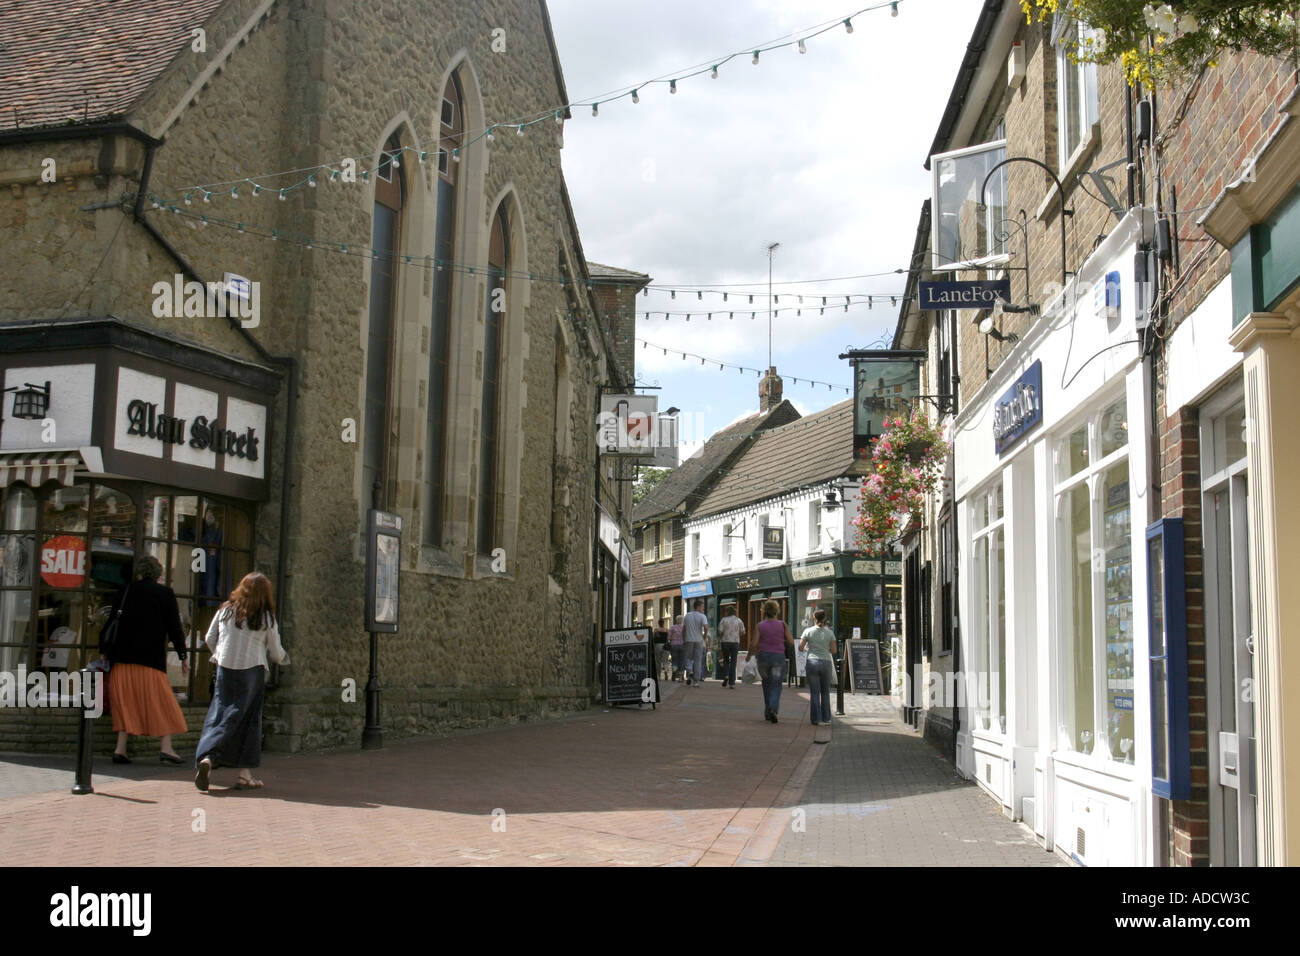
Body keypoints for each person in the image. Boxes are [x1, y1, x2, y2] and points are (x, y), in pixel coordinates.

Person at [194, 571, 288, 791]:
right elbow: (275, 651)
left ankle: (211, 759)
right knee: (247, 719)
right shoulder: (265, 617)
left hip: (224, 668)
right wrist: (284, 658)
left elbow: (209, 638)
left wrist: (220, 654)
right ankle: (228, 766)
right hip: (252, 670)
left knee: (220, 711)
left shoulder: (226, 610)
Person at [106, 554, 189, 764]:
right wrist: (183, 655)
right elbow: (175, 628)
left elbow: (110, 623)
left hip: (122, 659)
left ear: (139, 572)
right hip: (150, 659)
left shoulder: (125, 591)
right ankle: (166, 748)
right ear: (158, 573)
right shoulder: (164, 593)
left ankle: (120, 748)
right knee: (163, 703)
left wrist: (104, 650)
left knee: (126, 704)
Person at [748, 600, 794, 722]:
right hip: (778, 657)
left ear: (764, 612)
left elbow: (753, 644)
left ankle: (768, 710)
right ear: (776, 611)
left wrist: (749, 655)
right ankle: (773, 707)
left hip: (763, 657)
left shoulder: (760, 625)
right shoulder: (782, 624)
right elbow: (790, 641)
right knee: (776, 683)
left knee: (766, 683)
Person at [799, 609, 838, 729]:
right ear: (825, 618)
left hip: (812, 661)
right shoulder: (829, 633)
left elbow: (801, 647)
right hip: (826, 662)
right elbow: (834, 650)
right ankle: (826, 717)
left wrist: (808, 649)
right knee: (825, 691)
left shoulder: (808, 631)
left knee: (815, 692)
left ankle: (816, 719)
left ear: (814, 618)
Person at [681, 599, 710, 686]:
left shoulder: (687, 616)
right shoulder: (702, 616)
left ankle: (690, 670)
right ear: (698, 607)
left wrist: (683, 639)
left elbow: (684, 629)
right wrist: (704, 637)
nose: (703, 608)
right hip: (698, 640)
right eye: (702, 607)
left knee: (688, 657)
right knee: (698, 660)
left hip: (688, 640)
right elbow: (706, 628)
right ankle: (696, 682)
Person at [716, 606, 745, 688]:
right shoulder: (738, 620)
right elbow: (743, 632)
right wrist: (737, 635)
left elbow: (720, 631)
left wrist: (722, 636)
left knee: (725, 660)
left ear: (727, 612)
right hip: (735, 642)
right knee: (733, 661)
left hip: (725, 642)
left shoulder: (723, 620)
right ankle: (732, 683)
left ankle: (726, 675)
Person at [667, 615, 685, 681]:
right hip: (682, 645)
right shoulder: (684, 628)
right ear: (682, 621)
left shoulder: (672, 627)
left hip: (673, 645)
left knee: (674, 660)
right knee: (682, 661)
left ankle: (674, 673)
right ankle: (680, 677)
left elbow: (668, 638)